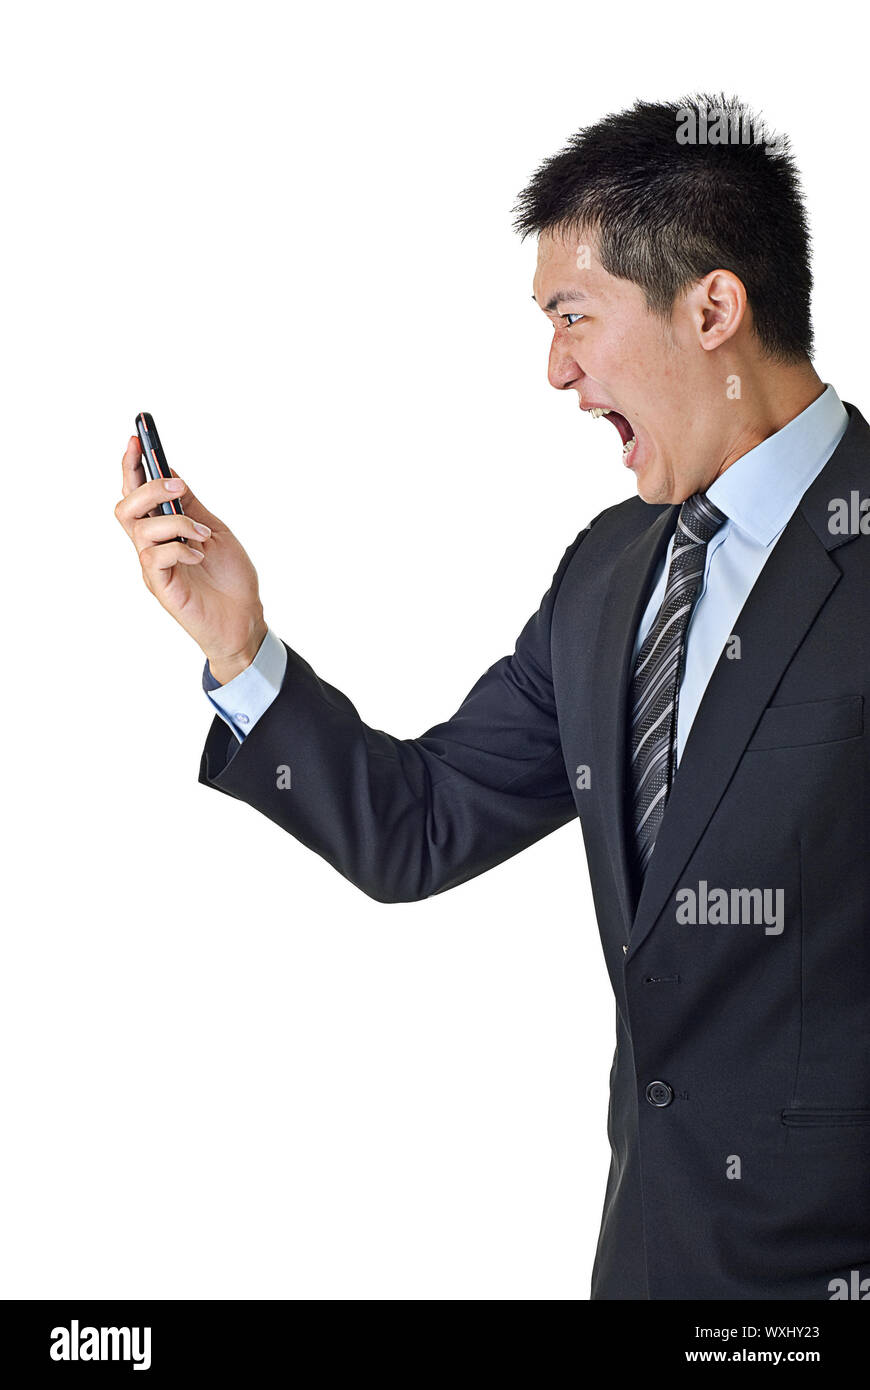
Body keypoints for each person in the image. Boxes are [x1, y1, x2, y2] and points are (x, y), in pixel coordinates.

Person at [115, 95, 870, 1300]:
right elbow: (423, 821)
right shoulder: (610, 574)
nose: (556, 370)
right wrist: (240, 648)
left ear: (713, 308)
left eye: (574, 318)